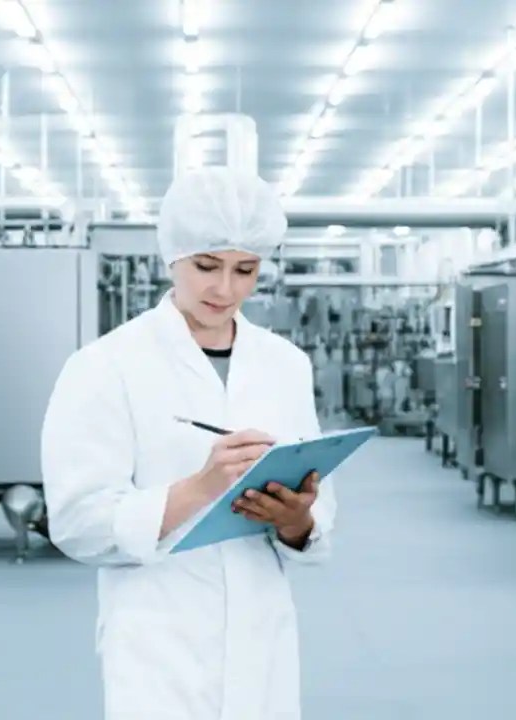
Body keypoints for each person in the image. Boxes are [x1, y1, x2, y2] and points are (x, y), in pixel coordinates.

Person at [40, 167, 336, 720]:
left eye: (245, 269)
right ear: (171, 256)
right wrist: (200, 487)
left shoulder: (285, 366)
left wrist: (295, 518)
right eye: (206, 266)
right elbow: (78, 523)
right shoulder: (105, 367)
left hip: (261, 631)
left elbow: (319, 521)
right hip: (158, 636)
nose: (225, 288)